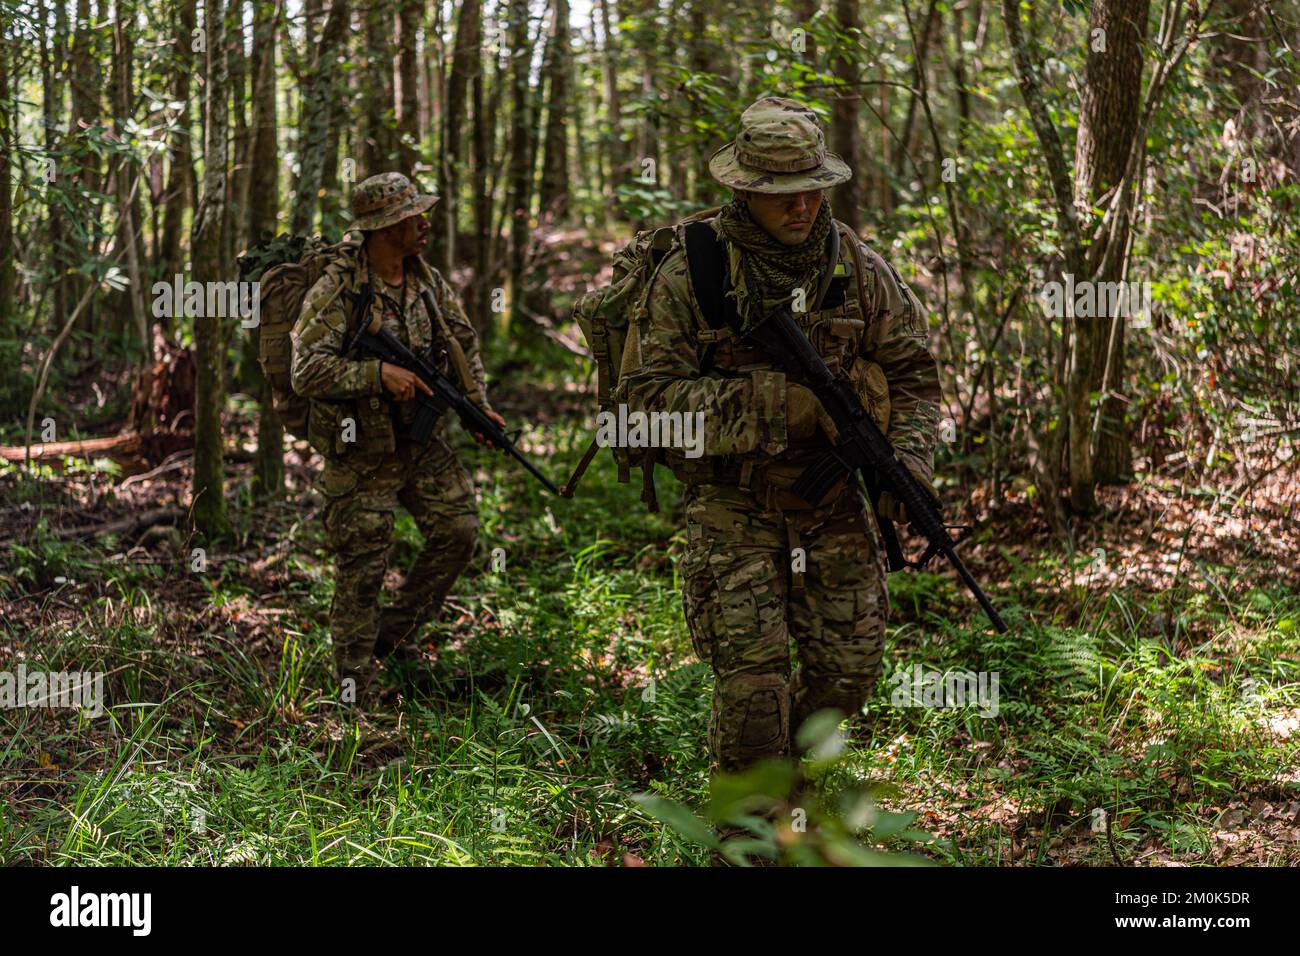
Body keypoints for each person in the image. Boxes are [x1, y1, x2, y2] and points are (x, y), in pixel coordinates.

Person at [620, 97, 942, 777]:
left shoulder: (855, 266)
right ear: (743, 190)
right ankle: (747, 821)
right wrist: (777, 406)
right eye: (781, 193)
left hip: (832, 502)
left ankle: (785, 785)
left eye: (812, 189)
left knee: (848, 675)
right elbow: (644, 405)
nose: (801, 207)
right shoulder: (691, 274)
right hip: (732, 503)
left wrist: (909, 461)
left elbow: (913, 372)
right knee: (753, 689)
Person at [290, 172, 506, 712]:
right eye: (414, 216)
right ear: (388, 227)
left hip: (419, 441)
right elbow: (305, 370)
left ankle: (394, 635)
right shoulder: (339, 289)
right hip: (360, 450)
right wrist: (375, 374)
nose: (425, 223)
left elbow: (462, 342)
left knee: (459, 529)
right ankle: (354, 693)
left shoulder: (426, 280)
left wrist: (476, 405)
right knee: (362, 571)